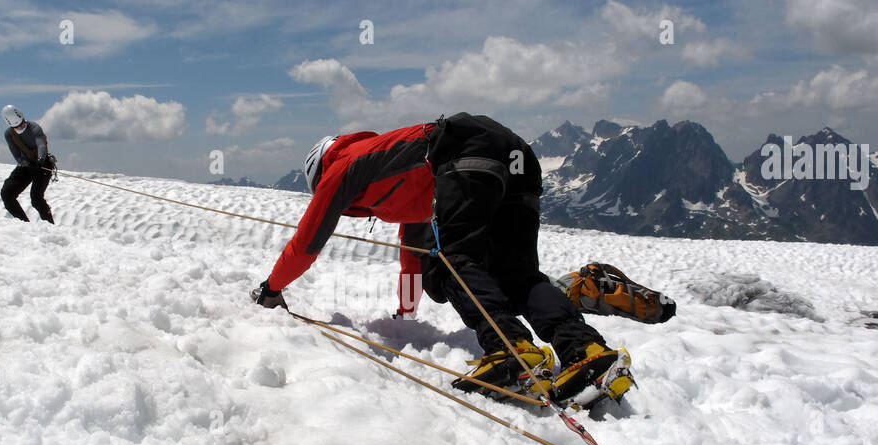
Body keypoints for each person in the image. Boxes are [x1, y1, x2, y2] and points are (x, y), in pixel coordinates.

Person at [251, 113, 622, 404]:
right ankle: (586, 350)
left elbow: (307, 242)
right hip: (517, 155)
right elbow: (412, 256)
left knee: (449, 260)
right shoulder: (394, 163)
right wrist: (406, 314)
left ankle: (510, 351)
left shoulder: (344, 165)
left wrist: (271, 289)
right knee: (516, 274)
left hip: (471, 149)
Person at [0, 105, 56, 223]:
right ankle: (24, 224)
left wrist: (40, 160)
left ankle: (50, 225)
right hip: (27, 165)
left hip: (43, 165)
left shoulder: (35, 128)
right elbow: (16, 154)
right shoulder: (9, 134)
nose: (21, 127)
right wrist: (26, 163)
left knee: (36, 199)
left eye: (22, 123)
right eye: (17, 127)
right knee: (7, 194)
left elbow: (41, 145)